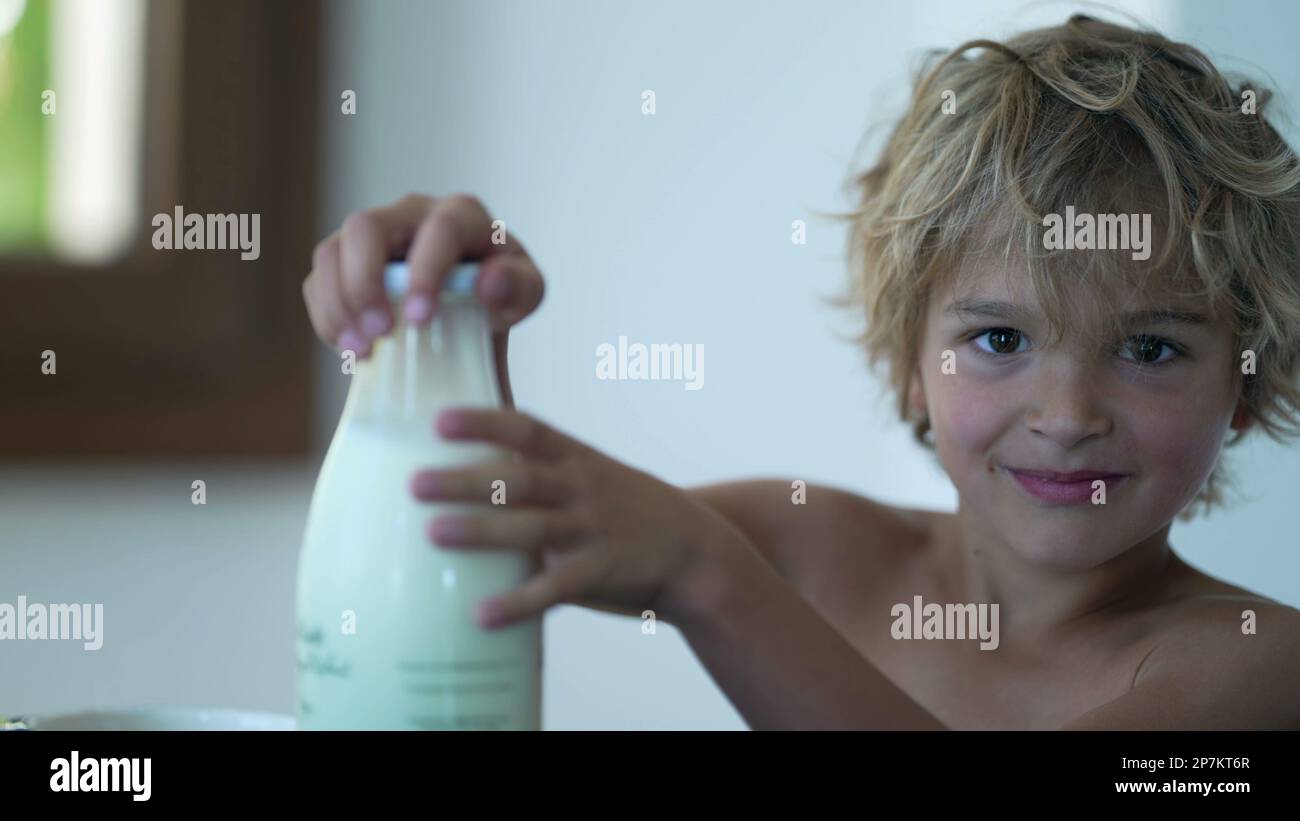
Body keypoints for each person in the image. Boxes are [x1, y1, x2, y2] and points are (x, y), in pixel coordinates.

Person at [301, 15, 1300, 729]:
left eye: (1151, 348)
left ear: (1245, 384)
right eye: (999, 339)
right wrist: (443, 323)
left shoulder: (1257, 662)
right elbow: (502, 530)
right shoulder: (809, 547)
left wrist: (708, 575)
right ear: (907, 359)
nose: (1069, 413)